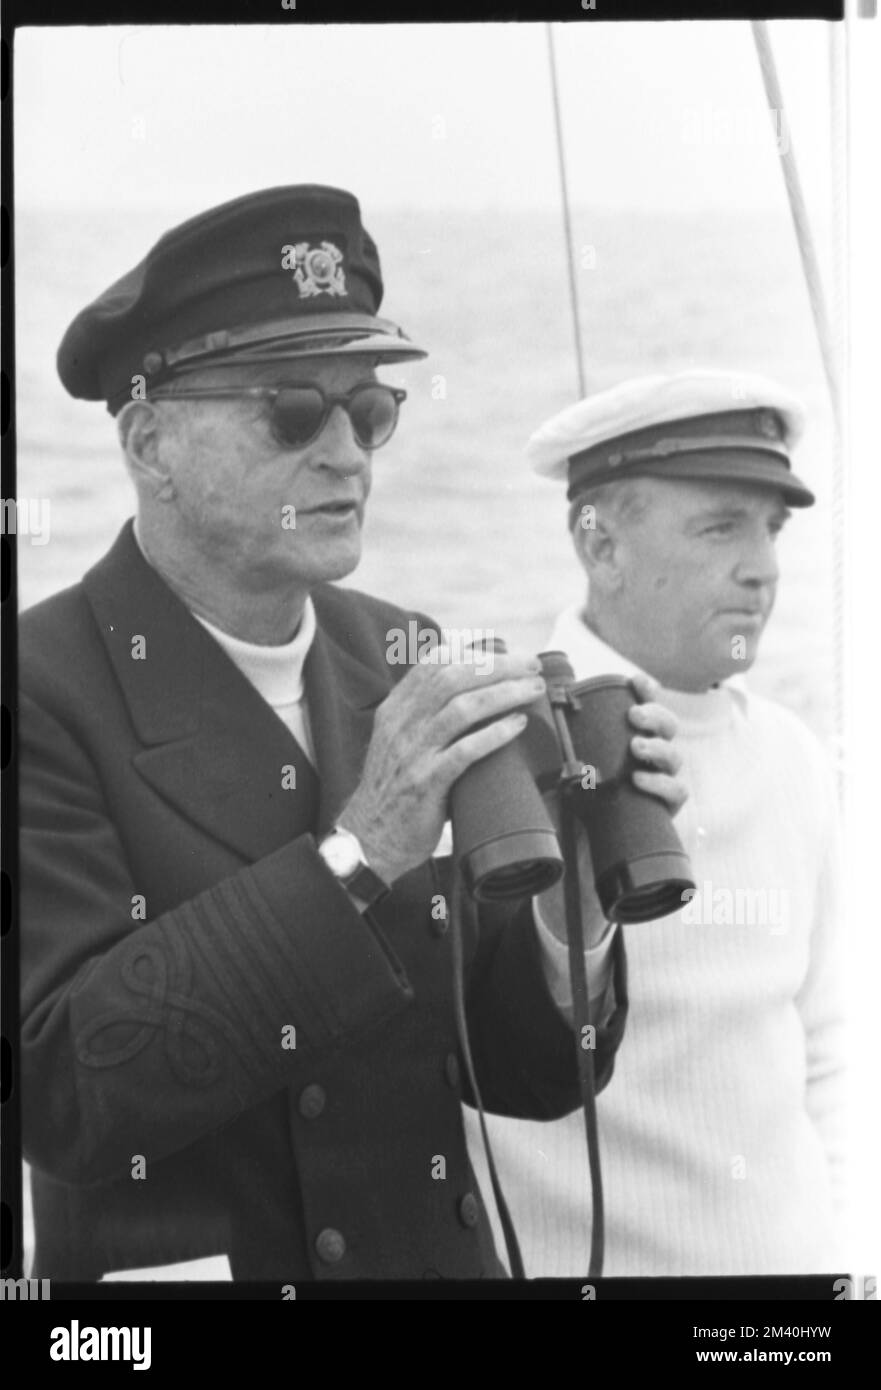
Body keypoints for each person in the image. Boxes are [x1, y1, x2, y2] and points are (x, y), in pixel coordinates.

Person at [19, 186, 684, 1282]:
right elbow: (72, 1093)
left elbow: (521, 1070)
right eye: (292, 410)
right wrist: (360, 849)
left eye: (368, 410)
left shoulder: (400, 652)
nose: (348, 453)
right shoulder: (45, 688)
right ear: (150, 442)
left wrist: (574, 898)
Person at [465, 369, 845, 1277]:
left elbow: (835, 1051)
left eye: (771, 527)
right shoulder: (487, 750)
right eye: (720, 526)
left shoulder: (797, 758)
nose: (762, 566)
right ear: (600, 546)